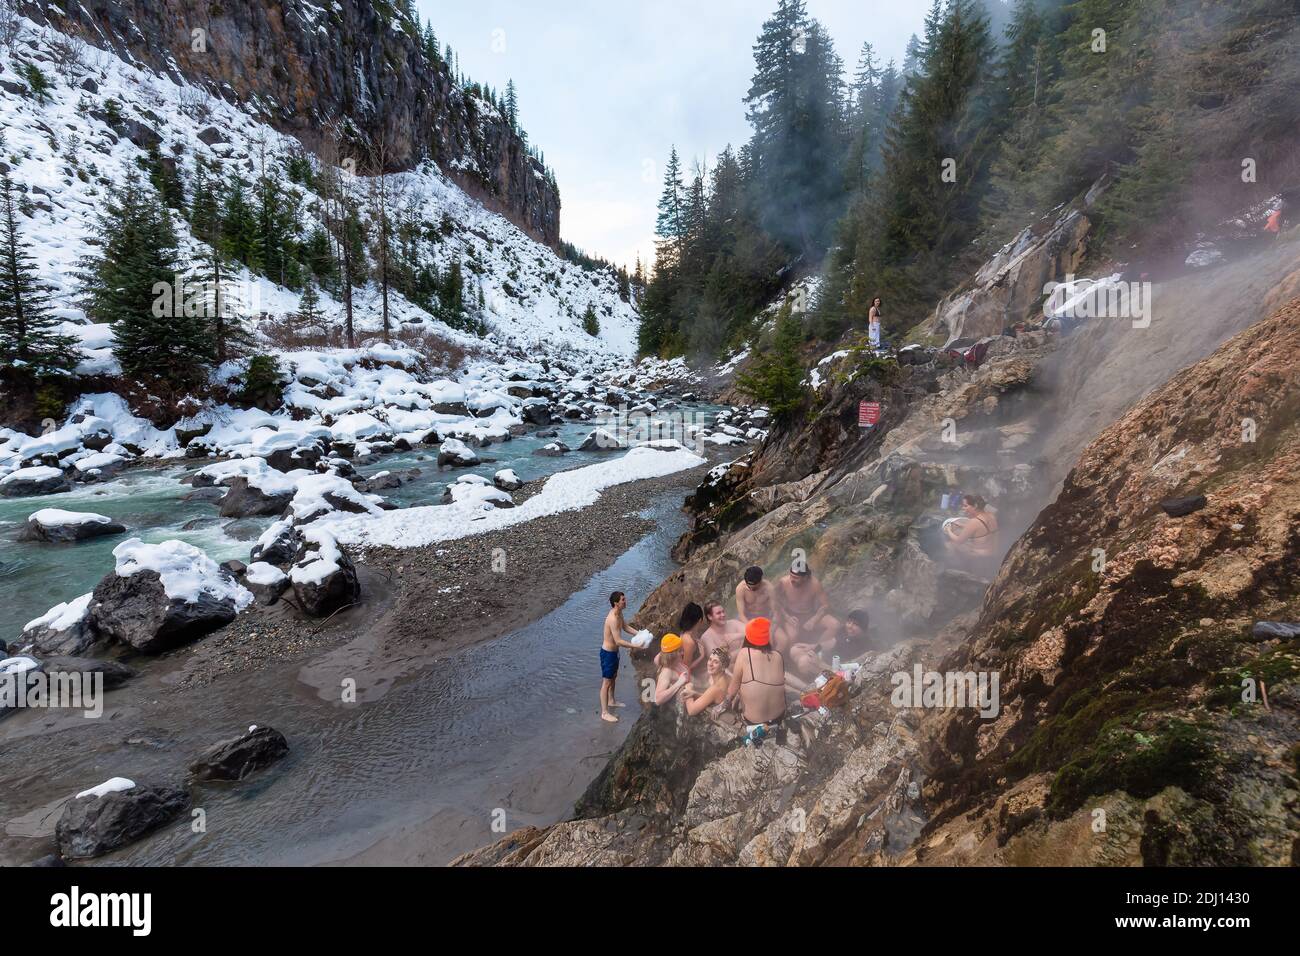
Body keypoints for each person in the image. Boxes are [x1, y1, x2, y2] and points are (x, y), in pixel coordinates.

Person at [726, 618, 787, 728]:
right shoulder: (778, 656)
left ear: (748, 636)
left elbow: (732, 689)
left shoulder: (745, 653)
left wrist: (723, 704)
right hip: (779, 717)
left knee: (738, 684)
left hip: (754, 722)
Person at [774, 561, 840, 657]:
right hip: (791, 616)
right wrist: (787, 617)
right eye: (791, 576)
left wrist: (814, 619)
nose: (792, 579)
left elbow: (825, 605)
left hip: (810, 615)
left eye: (796, 578)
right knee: (792, 635)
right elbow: (774, 600)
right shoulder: (784, 582)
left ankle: (817, 650)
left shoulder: (814, 584)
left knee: (834, 624)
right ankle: (793, 659)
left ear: (805, 577)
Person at [599, 591, 639, 723]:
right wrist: (635, 646)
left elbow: (626, 627)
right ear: (616, 603)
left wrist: (639, 634)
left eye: (624, 599)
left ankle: (611, 701)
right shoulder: (613, 618)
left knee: (614, 677)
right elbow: (618, 641)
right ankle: (604, 713)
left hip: (614, 653)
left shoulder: (619, 613)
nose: (625, 601)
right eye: (623, 600)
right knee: (606, 682)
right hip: (608, 653)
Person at [943, 494, 999, 562]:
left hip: (980, 559)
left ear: (975, 506)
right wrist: (963, 525)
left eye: (965, 506)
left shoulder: (974, 522)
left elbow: (958, 541)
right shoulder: (991, 515)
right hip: (992, 554)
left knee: (950, 544)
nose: (963, 508)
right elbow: (983, 529)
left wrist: (948, 530)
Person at [685, 647, 732, 717]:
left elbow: (691, 711)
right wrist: (694, 694)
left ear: (723, 667)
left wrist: (688, 689)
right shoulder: (728, 677)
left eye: (716, 662)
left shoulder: (715, 688)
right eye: (710, 659)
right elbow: (710, 697)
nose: (710, 664)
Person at [655, 634, 694, 706]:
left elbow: (661, 653)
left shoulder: (676, 661)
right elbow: (658, 699)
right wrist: (679, 683)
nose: (683, 653)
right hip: (677, 709)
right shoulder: (667, 672)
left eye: (682, 649)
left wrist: (702, 656)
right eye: (679, 651)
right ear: (672, 655)